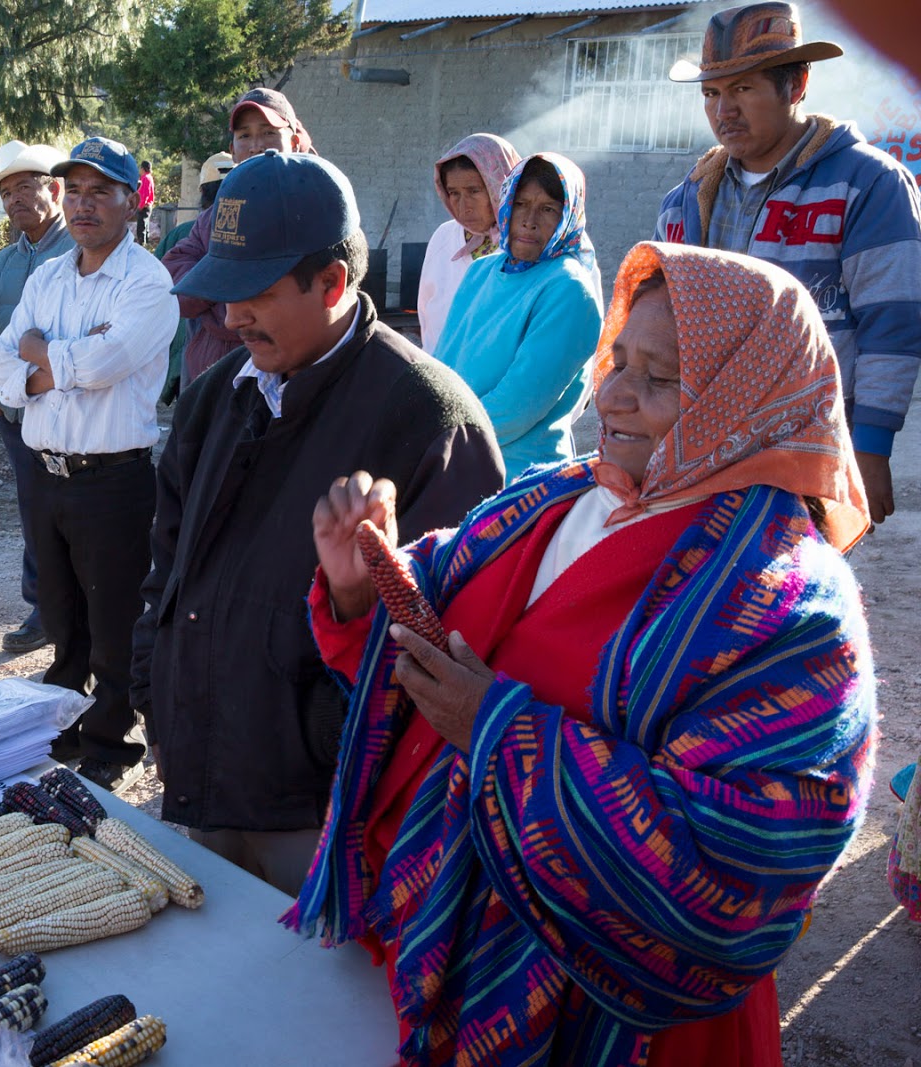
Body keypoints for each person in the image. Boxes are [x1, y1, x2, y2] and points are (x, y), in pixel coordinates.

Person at [292, 241, 875, 1066]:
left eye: (662, 377)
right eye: (618, 361)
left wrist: (496, 731)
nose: (616, 395)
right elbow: (427, 645)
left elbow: (735, 869)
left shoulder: (790, 605)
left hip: (619, 1026)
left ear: (748, 397)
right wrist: (361, 587)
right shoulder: (554, 498)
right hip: (446, 957)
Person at [132, 151, 504, 895]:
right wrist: (158, 696)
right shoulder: (213, 398)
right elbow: (166, 573)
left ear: (332, 283)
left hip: (325, 815)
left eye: (255, 294)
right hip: (203, 779)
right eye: (223, 292)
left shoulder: (428, 416)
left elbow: (446, 650)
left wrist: (323, 744)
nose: (231, 317)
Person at [657, 1, 921, 524]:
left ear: (796, 85)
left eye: (744, 88)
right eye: (712, 93)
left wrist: (870, 450)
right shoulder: (686, 198)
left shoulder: (867, 184)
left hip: (810, 445)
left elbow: (892, 326)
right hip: (705, 442)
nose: (722, 110)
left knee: (792, 591)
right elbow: (668, 324)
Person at [0, 137, 176, 789]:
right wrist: (57, 361)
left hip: (113, 479)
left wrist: (46, 355)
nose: (84, 204)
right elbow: (5, 369)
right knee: (62, 611)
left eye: (101, 191)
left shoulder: (148, 282)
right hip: (46, 471)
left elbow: (103, 366)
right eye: (74, 190)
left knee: (115, 614)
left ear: (132, 202)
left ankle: (108, 742)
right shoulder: (47, 277)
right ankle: (63, 724)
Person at [433, 153, 603, 480]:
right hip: (454, 455)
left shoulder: (568, 288)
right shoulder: (482, 270)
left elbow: (516, 408)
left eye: (548, 209)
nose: (529, 220)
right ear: (506, 203)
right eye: (522, 204)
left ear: (570, 216)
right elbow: (444, 362)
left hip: (514, 478)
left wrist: (438, 438)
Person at [0, 143, 74, 655]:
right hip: (13, 415)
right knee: (35, 511)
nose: (14, 200)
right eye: (6, 192)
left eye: (24, 187)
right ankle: (42, 609)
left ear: (54, 189)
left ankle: (77, 614)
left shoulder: (80, 254)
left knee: (74, 513)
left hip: (72, 413)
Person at [164, 88, 315, 386]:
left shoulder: (313, 209)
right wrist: (227, 282)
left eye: (270, 133)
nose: (256, 146)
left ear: (294, 142)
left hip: (284, 378)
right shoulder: (215, 215)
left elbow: (297, 303)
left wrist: (212, 294)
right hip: (211, 380)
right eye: (244, 136)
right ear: (232, 150)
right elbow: (178, 289)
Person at [415, 134, 521, 354]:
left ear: (501, 184)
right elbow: (426, 313)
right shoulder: (444, 237)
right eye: (454, 193)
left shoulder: (526, 243)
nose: (464, 206)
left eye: (474, 191)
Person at [155, 152, 234, 405]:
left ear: (202, 191)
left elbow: (160, 281)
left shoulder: (181, 233)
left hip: (187, 354)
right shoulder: (200, 230)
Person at [135, 160, 155, 247]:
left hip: (144, 206)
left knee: (141, 226)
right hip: (148, 205)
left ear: (143, 168)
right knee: (145, 226)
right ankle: (146, 244)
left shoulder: (145, 178)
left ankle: (141, 245)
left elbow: (144, 194)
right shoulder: (149, 177)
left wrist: (140, 205)